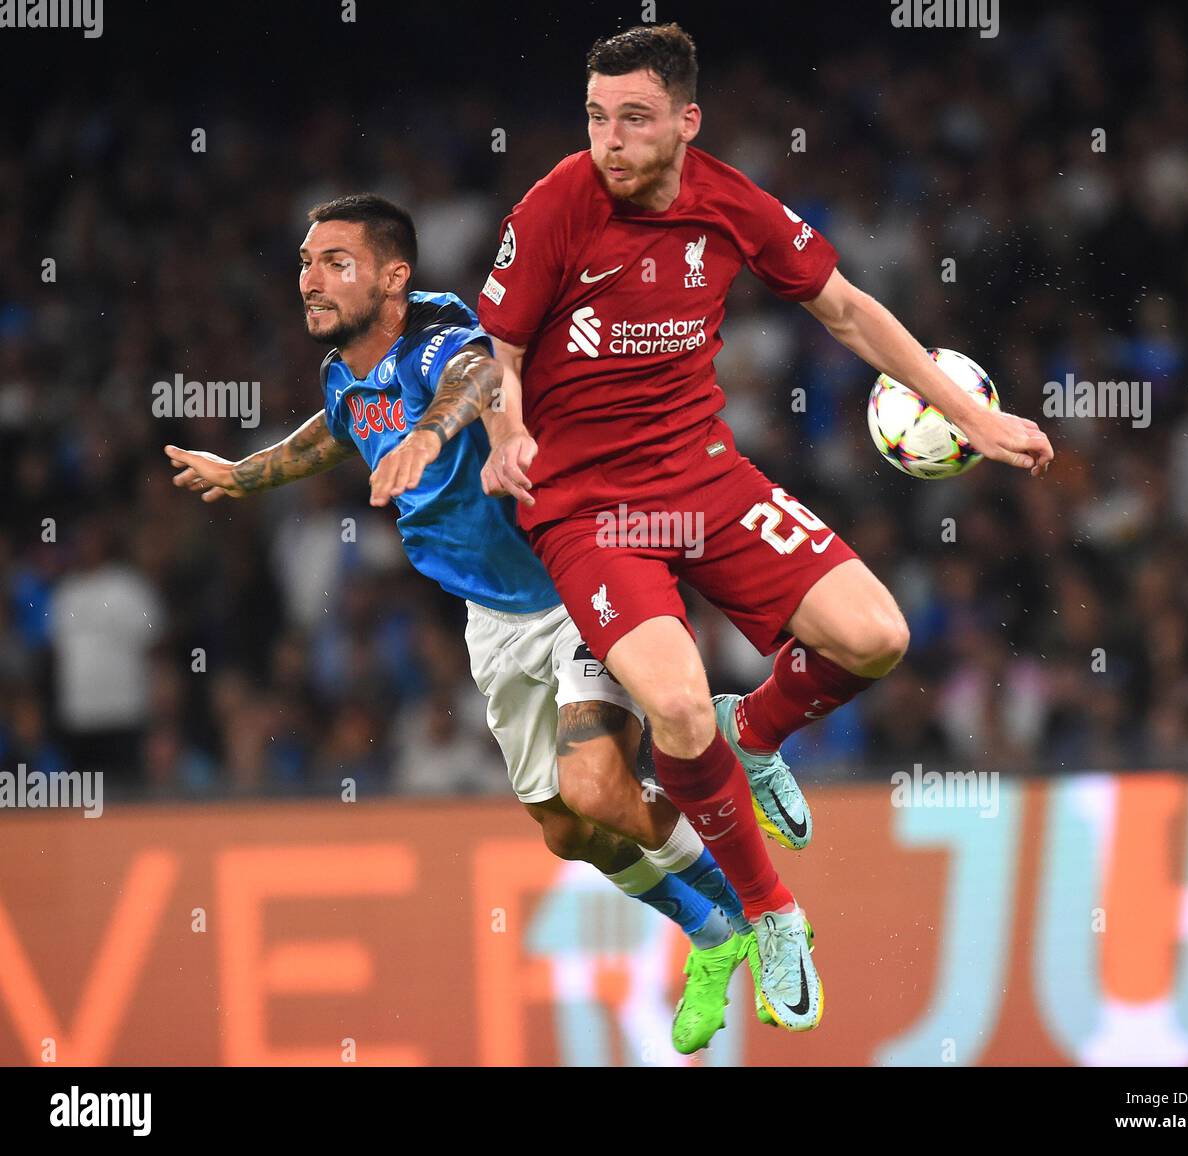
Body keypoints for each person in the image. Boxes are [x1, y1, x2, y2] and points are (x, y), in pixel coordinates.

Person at [476, 23, 1054, 1031]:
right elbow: (498, 349)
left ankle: (762, 729)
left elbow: (843, 309)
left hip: (705, 478)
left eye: (635, 120)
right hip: (588, 511)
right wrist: (506, 431)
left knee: (877, 636)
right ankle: (769, 909)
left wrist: (970, 414)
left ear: (686, 124)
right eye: (596, 118)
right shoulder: (559, 201)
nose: (610, 141)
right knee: (676, 711)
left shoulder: (729, 202)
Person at [164, 193, 762, 1054]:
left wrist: (435, 436)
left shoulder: (445, 332)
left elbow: (479, 377)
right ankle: (709, 925)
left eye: (335, 261)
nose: (310, 279)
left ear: (394, 276)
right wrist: (245, 474)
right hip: (494, 617)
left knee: (598, 787)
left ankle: (751, 914)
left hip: (580, 577)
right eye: (304, 262)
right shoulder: (344, 375)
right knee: (565, 828)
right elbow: (334, 433)